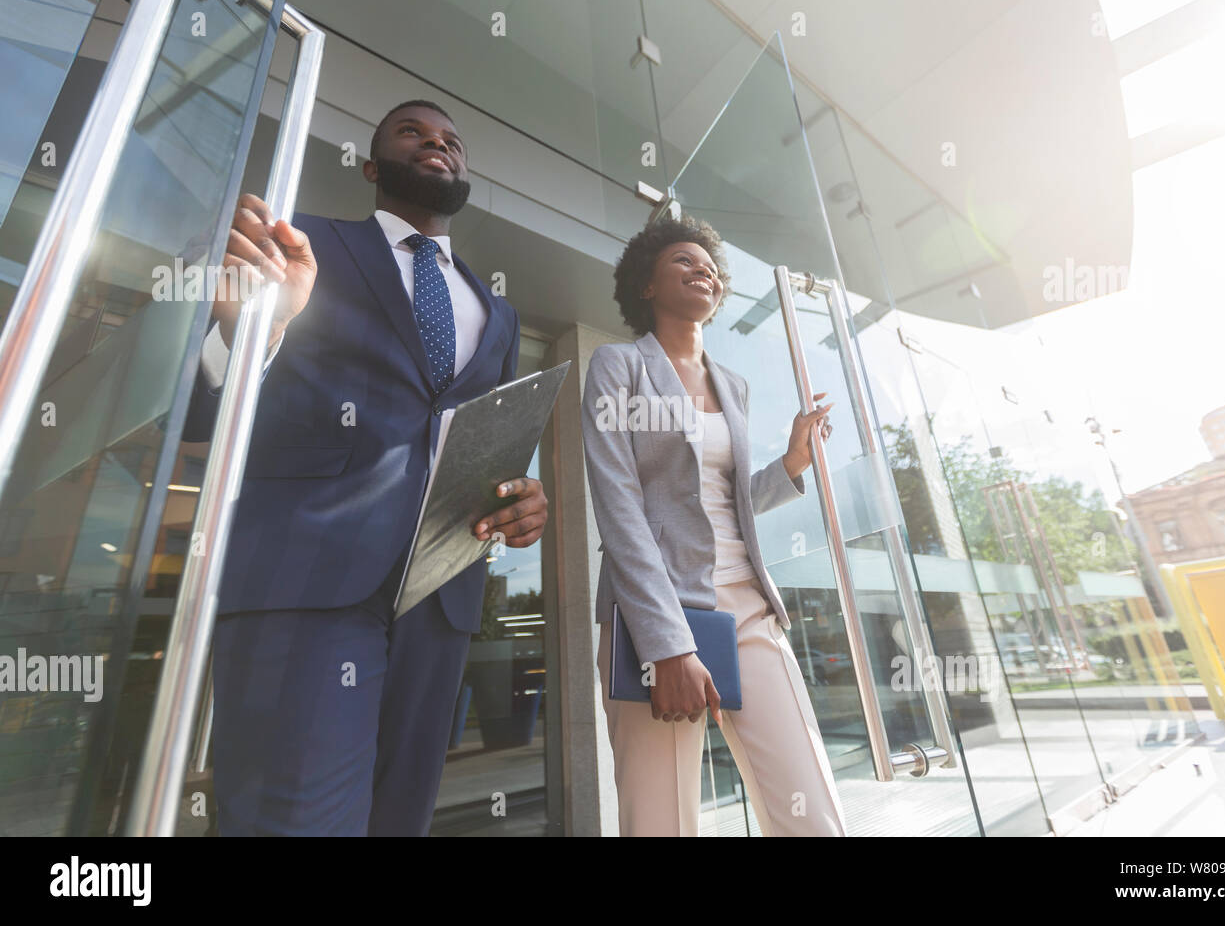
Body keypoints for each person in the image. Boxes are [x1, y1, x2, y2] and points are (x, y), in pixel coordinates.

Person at [181, 100, 548, 836]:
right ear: (371, 165)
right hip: (309, 577)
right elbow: (198, 416)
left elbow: (489, 449)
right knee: (296, 819)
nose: (437, 143)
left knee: (397, 819)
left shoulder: (497, 312)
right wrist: (255, 329)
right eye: (413, 132)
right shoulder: (303, 242)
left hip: (440, 595)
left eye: (451, 139)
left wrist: (523, 498)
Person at [581, 216, 848, 836]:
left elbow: (716, 505)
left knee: (811, 810)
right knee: (660, 823)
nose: (701, 268)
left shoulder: (734, 385)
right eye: (681, 259)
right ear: (645, 286)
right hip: (654, 616)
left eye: (708, 264)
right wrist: (668, 643)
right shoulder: (619, 366)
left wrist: (791, 464)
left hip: (747, 611)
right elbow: (620, 506)